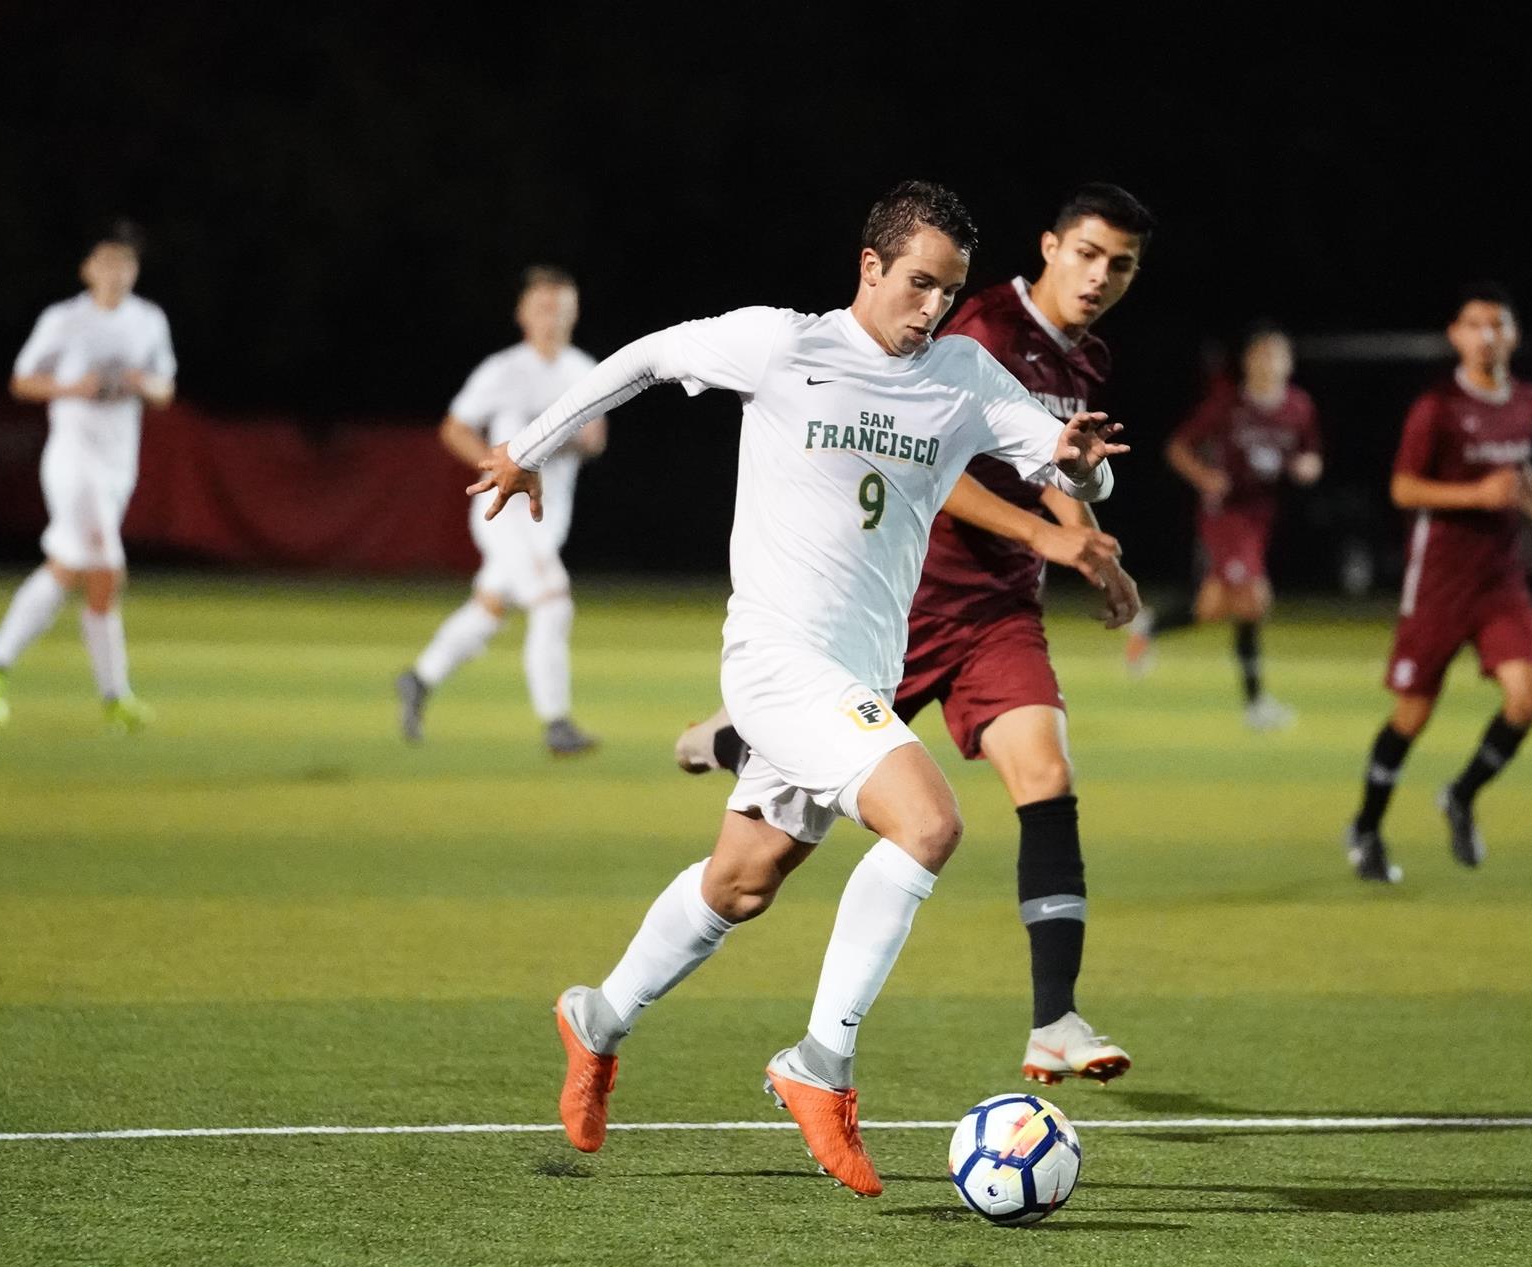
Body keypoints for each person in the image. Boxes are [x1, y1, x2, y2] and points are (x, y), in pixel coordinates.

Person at [470, 181, 1124, 1197]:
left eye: (947, 291)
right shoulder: (780, 344)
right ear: (868, 267)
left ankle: (594, 1018)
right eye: (915, 284)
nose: (930, 310)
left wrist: (1081, 471)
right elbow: (644, 357)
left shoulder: (959, 375)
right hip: (775, 664)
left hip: (857, 674)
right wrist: (525, 449)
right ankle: (820, 1062)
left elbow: (1070, 462)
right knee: (929, 823)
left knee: (743, 879)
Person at [675, 183, 1153, 1088]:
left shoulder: (1082, 361)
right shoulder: (973, 329)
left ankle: (1055, 1017)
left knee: (1045, 771)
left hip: (999, 614)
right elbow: (937, 470)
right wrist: (1054, 534)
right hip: (902, 603)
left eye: (1121, 265)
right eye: (1088, 254)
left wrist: (1085, 535)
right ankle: (740, 732)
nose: (1100, 277)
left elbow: (1041, 458)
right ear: (1048, 247)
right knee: (757, 870)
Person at [1345, 283, 1532, 883]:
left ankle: (1461, 794)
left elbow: (1519, 468)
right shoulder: (1436, 407)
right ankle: (1366, 828)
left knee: (1528, 697)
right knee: (1413, 714)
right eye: (1475, 324)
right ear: (1456, 337)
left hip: (1500, 580)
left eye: (1498, 324)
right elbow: (1403, 489)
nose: (1487, 334)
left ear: (1513, 336)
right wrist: (1475, 494)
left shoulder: (1527, 399)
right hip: (1440, 580)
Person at [0, 223, 176, 733]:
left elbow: (165, 388)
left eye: (125, 263)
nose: (116, 271)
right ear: (87, 269)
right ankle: (114, 695)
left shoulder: (148, 320)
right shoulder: (64, 320)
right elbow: (21, 381)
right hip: (73, 462)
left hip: (116, 466)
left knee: (66, 570)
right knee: (107, 568)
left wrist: (140, 384)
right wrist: (73, 386)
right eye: (106, 260)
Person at [395, 267, 607, 756]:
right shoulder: (504, 369)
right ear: (522, 314)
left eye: (561, 308)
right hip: (506, 508)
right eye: (542, 307)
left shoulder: (582, 368)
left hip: (549, 516)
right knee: (554, 602)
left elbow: (596, 438)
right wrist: (497, 465)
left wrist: (583, 439)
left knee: (490, 609)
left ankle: (419, 678)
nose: (552, 317)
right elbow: (453, 427)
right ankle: (556, 722)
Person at [1126, 323, 1324, 729]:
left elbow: (1310, 456)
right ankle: (1256, 706)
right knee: (1254, 599)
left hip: (1261, 516)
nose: (1271, 364)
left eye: (1278, 356)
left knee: (1211, 608)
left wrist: (1308, 468)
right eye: (1263, 355)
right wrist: (1204, 477)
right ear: (1250, 361)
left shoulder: (1299, 407)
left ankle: (1151, 625)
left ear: (1289, 363)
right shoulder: (1227, 405)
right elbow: (1177, 448)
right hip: (1226, 516)